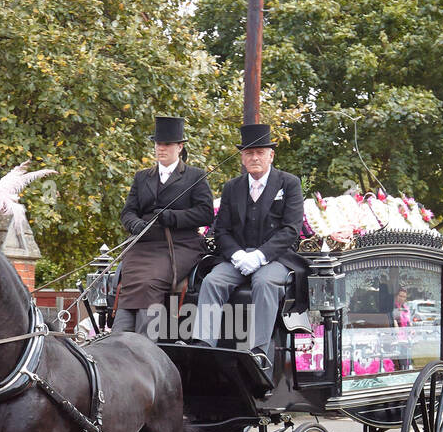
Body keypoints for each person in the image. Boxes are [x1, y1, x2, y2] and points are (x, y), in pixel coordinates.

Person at [195, 123, 306, 373]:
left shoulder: (289, 184)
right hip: (238, 257)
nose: (254, 157)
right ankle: (203, 345)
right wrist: (236, 255)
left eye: (260, 152)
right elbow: (221, 229)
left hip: (276, 259)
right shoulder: (232, 187)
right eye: (248, 153)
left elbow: (291, 230)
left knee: (264, 283)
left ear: (271, 155)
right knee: (212, 281)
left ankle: (259, 355)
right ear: (243, 158)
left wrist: (260, 256)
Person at [114, 116, 215, 337]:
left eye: (167, 144)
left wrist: (172, 217)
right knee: (128, 279)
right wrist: (137, 225)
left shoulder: (195, 176)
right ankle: (118, 339)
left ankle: (144, 345)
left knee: (150, 281)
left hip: (180, 244)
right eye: (158, 144)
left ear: (179, 147)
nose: (161, 148)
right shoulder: (142, 177)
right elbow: (128, 211)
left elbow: (205, 213)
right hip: (145, 243)